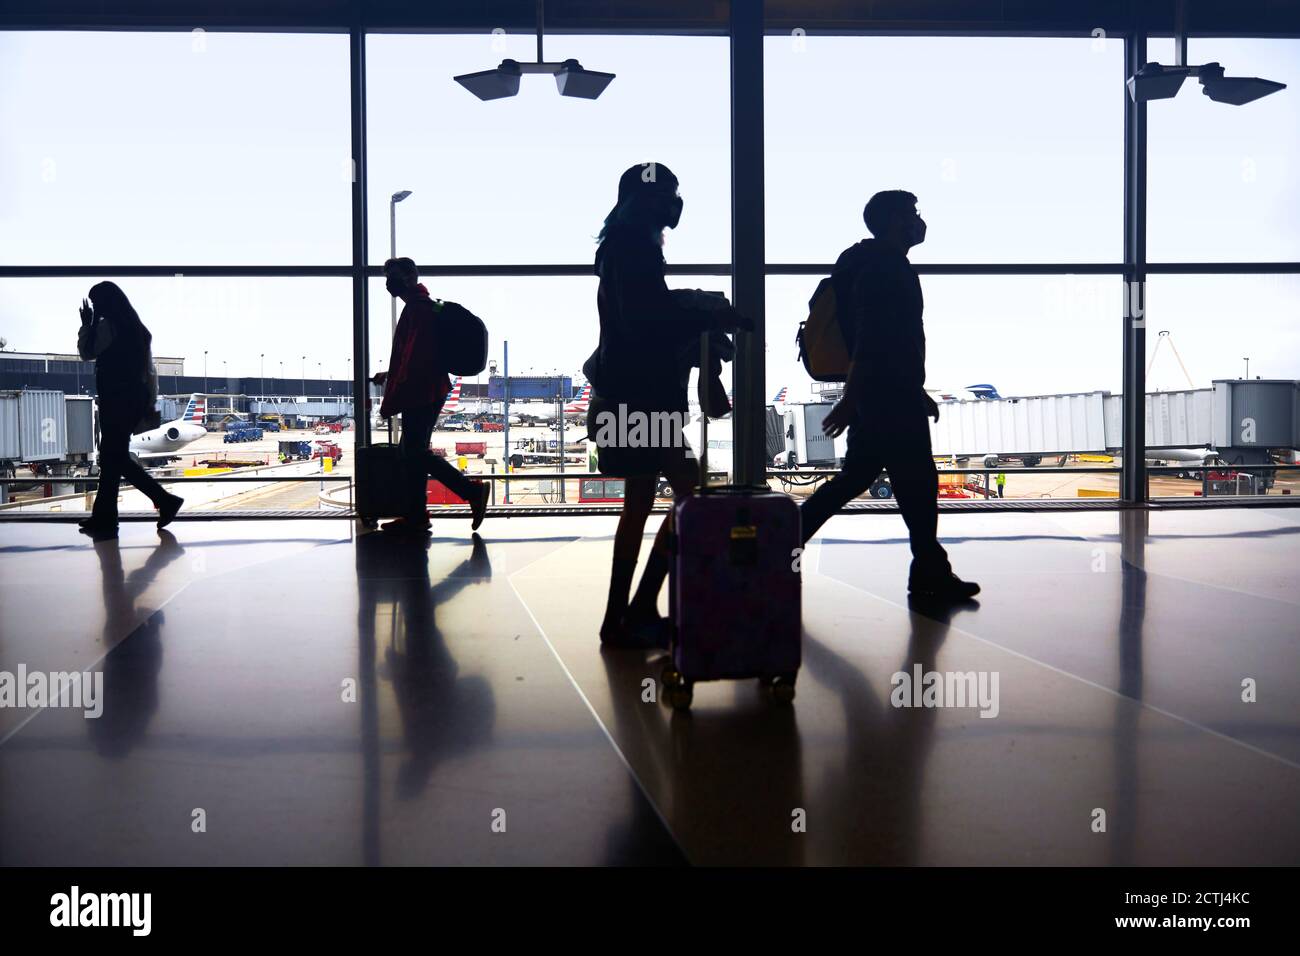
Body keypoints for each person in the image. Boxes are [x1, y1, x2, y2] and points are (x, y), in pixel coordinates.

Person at [585, 162, 749, 647]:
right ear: (643, 200)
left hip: (624, 396)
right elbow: (647, 322)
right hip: (642, 399)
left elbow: (642, 316)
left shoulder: (619, 247)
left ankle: (625, 614)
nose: (673, 203)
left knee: (639, 503)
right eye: (665, 194)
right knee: (690, 497)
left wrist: (696, 312)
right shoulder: (635, 247)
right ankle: (634, 609)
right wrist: (706, 315)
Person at [799, 191, 979, 602]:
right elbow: (871, 338)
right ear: (893, 220)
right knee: (917, 483)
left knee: (858, 478)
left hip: (885, 393)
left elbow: (887, 340)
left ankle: (779, 545)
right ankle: (930, 573)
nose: (918, 220)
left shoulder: (872, 263)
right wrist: (853, 397)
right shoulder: (885, 267)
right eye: (912, 213)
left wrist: (910, 392)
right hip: (886, 397)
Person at [372, 258, 489, 536]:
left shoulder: (420, 309)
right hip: (424, 388)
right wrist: (391, 375)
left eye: (395, 275)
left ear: (411, 276)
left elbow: (418, 357)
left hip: (422, 391)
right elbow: (414, 354)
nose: (390, 282)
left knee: (414, 452)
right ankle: (417, 515)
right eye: (388, 276)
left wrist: (396, 390)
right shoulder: (420, 306)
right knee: (410, 453)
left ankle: (471, 492)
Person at [76, 282, 183, 541]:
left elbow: (86, 352)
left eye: (97, 302)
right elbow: (149, 371)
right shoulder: (136, 329)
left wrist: (86, 324)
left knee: (114, 458)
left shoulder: (108, 326)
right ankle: (106, 519)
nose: (96, 307)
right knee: (113, 460)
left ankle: (163, 499)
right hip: (131, 401)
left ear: (106, 302)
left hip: (115, 401)